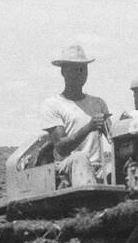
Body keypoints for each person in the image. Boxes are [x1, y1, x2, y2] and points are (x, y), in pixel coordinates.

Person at [40, 44, 111, 187]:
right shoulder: (53, 105)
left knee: (120, 166)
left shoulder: (98, 103)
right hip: (68, 167)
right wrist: (89, 127)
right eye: (75, 69)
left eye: (83, 69)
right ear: (63, 72)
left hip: (98, 167)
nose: (80, 73)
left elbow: (112, 138)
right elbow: (61, 146)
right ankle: (88, 203)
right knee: (80, 158)